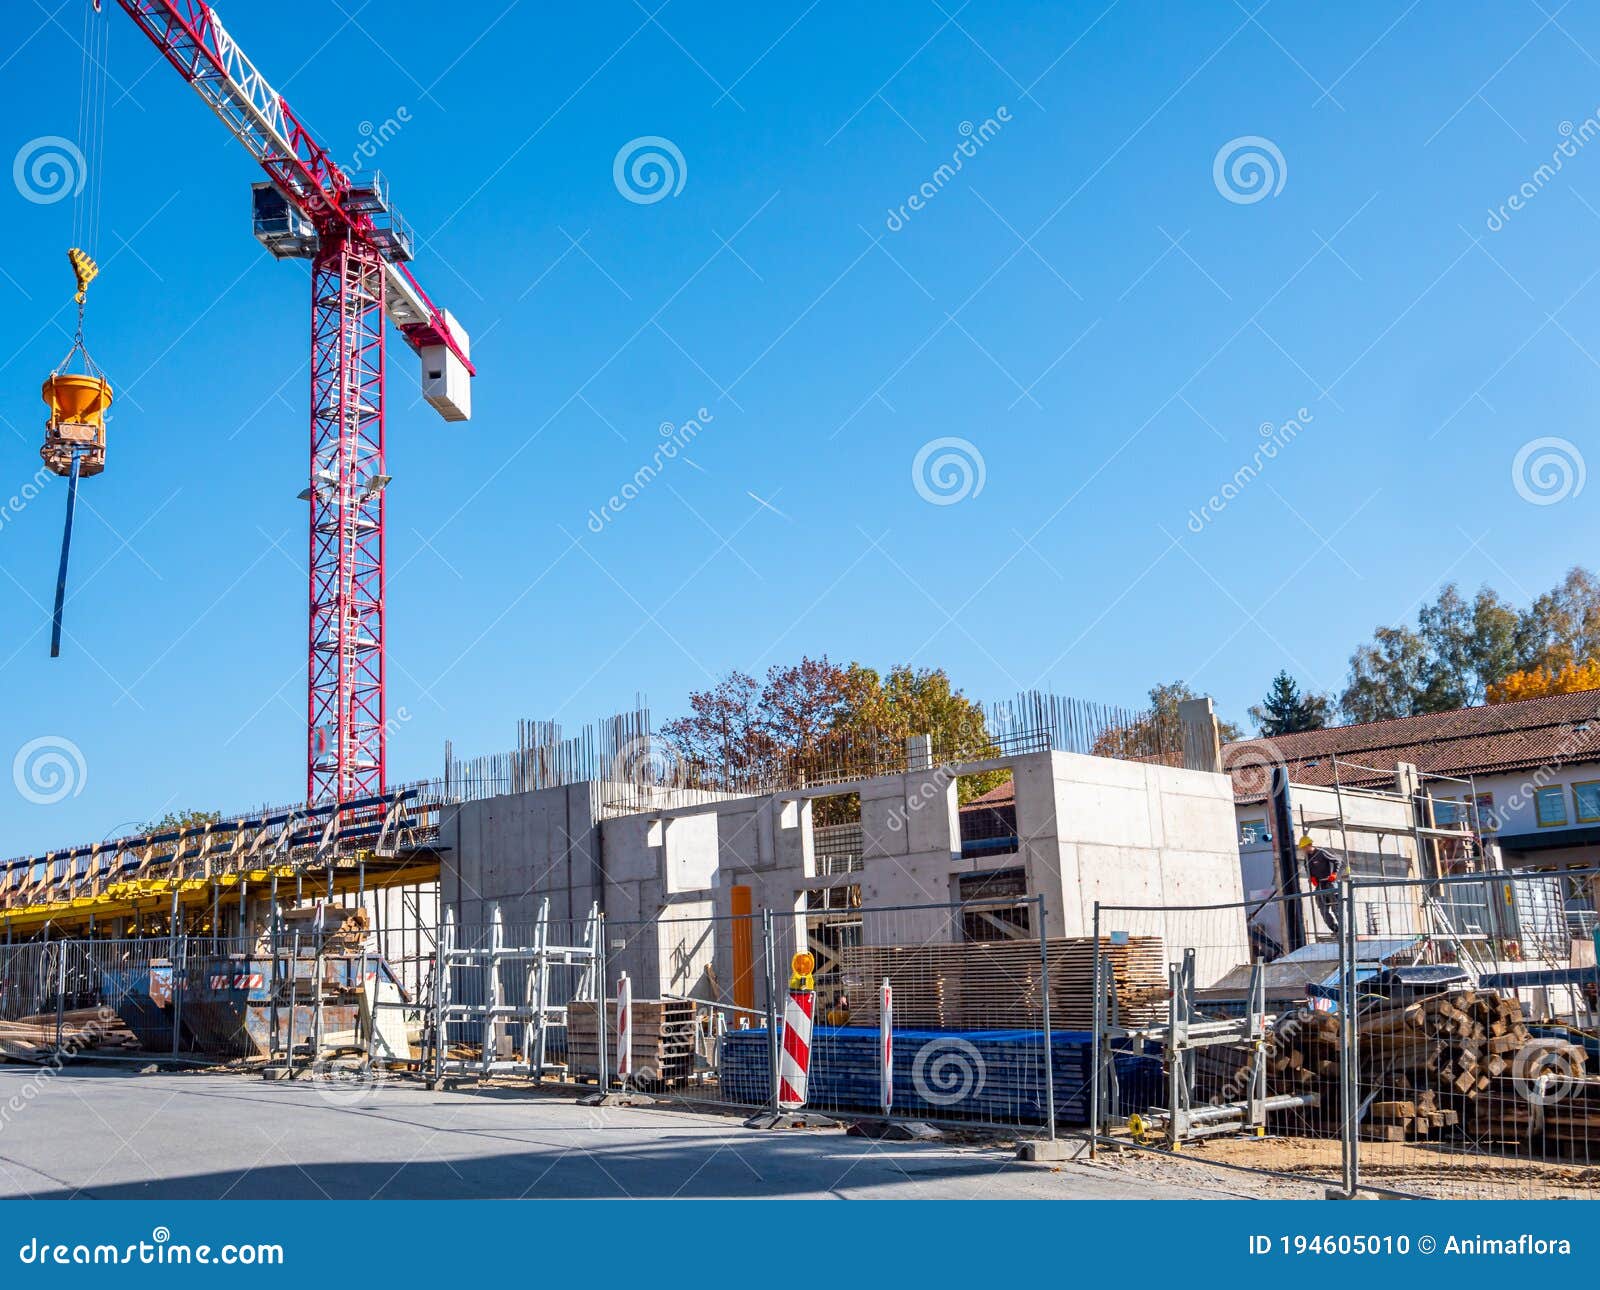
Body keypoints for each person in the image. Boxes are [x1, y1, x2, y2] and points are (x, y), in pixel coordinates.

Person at [1297, 834, 1343, 939]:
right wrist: (1311, 877)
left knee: (1336, 908)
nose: (1303, 850)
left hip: (1330, 883)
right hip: (1320, 885)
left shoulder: (1321, 853)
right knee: (1323, 910)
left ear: (1309, 845)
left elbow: (1337, 860)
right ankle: (1335, 930)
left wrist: (1334, 873)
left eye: (1304, 847)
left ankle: (1342, 931)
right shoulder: (1307, 858)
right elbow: (1307, 868)